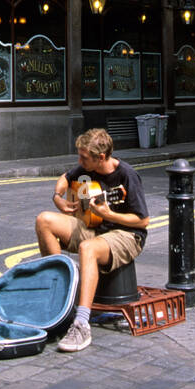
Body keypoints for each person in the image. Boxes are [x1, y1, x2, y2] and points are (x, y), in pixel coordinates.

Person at [35, 128, 150, 353]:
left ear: (101, 157)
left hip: (126, 234)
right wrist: (58, 198)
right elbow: (64, 178)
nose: (79, 161)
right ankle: (62, 298)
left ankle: (81, 324)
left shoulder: (126, 175)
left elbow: (143, 221)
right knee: (44, 220)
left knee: (88, 248)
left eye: (83, 158)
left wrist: (109, 215)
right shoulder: (86, 167)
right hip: (94, 227)